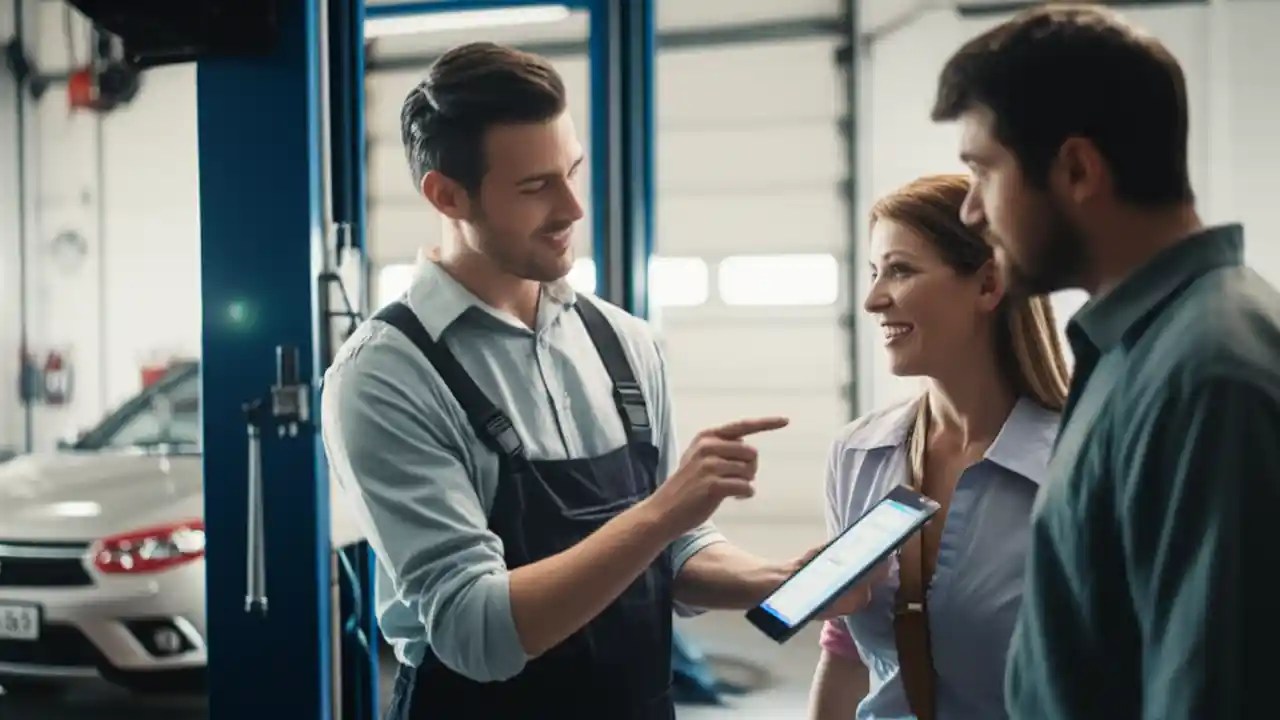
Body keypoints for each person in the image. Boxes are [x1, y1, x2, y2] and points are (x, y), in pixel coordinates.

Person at [320, 42, 867, 720]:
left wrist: (777, 581)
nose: (573, 208)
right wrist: (663, 511)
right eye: (534, 187)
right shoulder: (386, 375)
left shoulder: (626, 344)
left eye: (571, 170)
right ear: (446, 195)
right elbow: (476, 630)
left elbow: (670, 552)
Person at [931, 5, 1280, 719]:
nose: (971, 211)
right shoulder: (1138, 347)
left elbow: (1214, 694)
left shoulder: (1208, 373)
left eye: (982, 171)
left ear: (1078, 170)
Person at [807, 174, 1070, 720]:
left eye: (900, 270)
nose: (873, 298)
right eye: (875, 272)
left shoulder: (1076, 467)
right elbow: (846, 651)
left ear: (987, 285)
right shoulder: (857, 455)